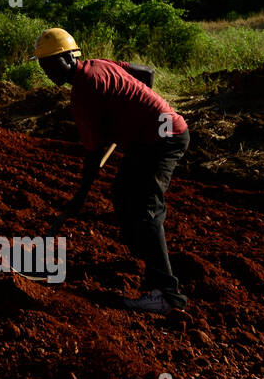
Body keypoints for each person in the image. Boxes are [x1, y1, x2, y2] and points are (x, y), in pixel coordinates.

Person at [33, 28, 190, 315]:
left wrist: (80, 195)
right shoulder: (99, 65)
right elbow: (147, 73)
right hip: (150, 137)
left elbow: (94, 154)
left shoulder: (84, 91)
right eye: (43, 66)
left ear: (69, 57)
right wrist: (136, 110)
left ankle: (167, 295)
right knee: (121, 194)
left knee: (146, 209)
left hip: (164, 139)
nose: (48, 72)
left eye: (52, 64)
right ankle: (146, 257)